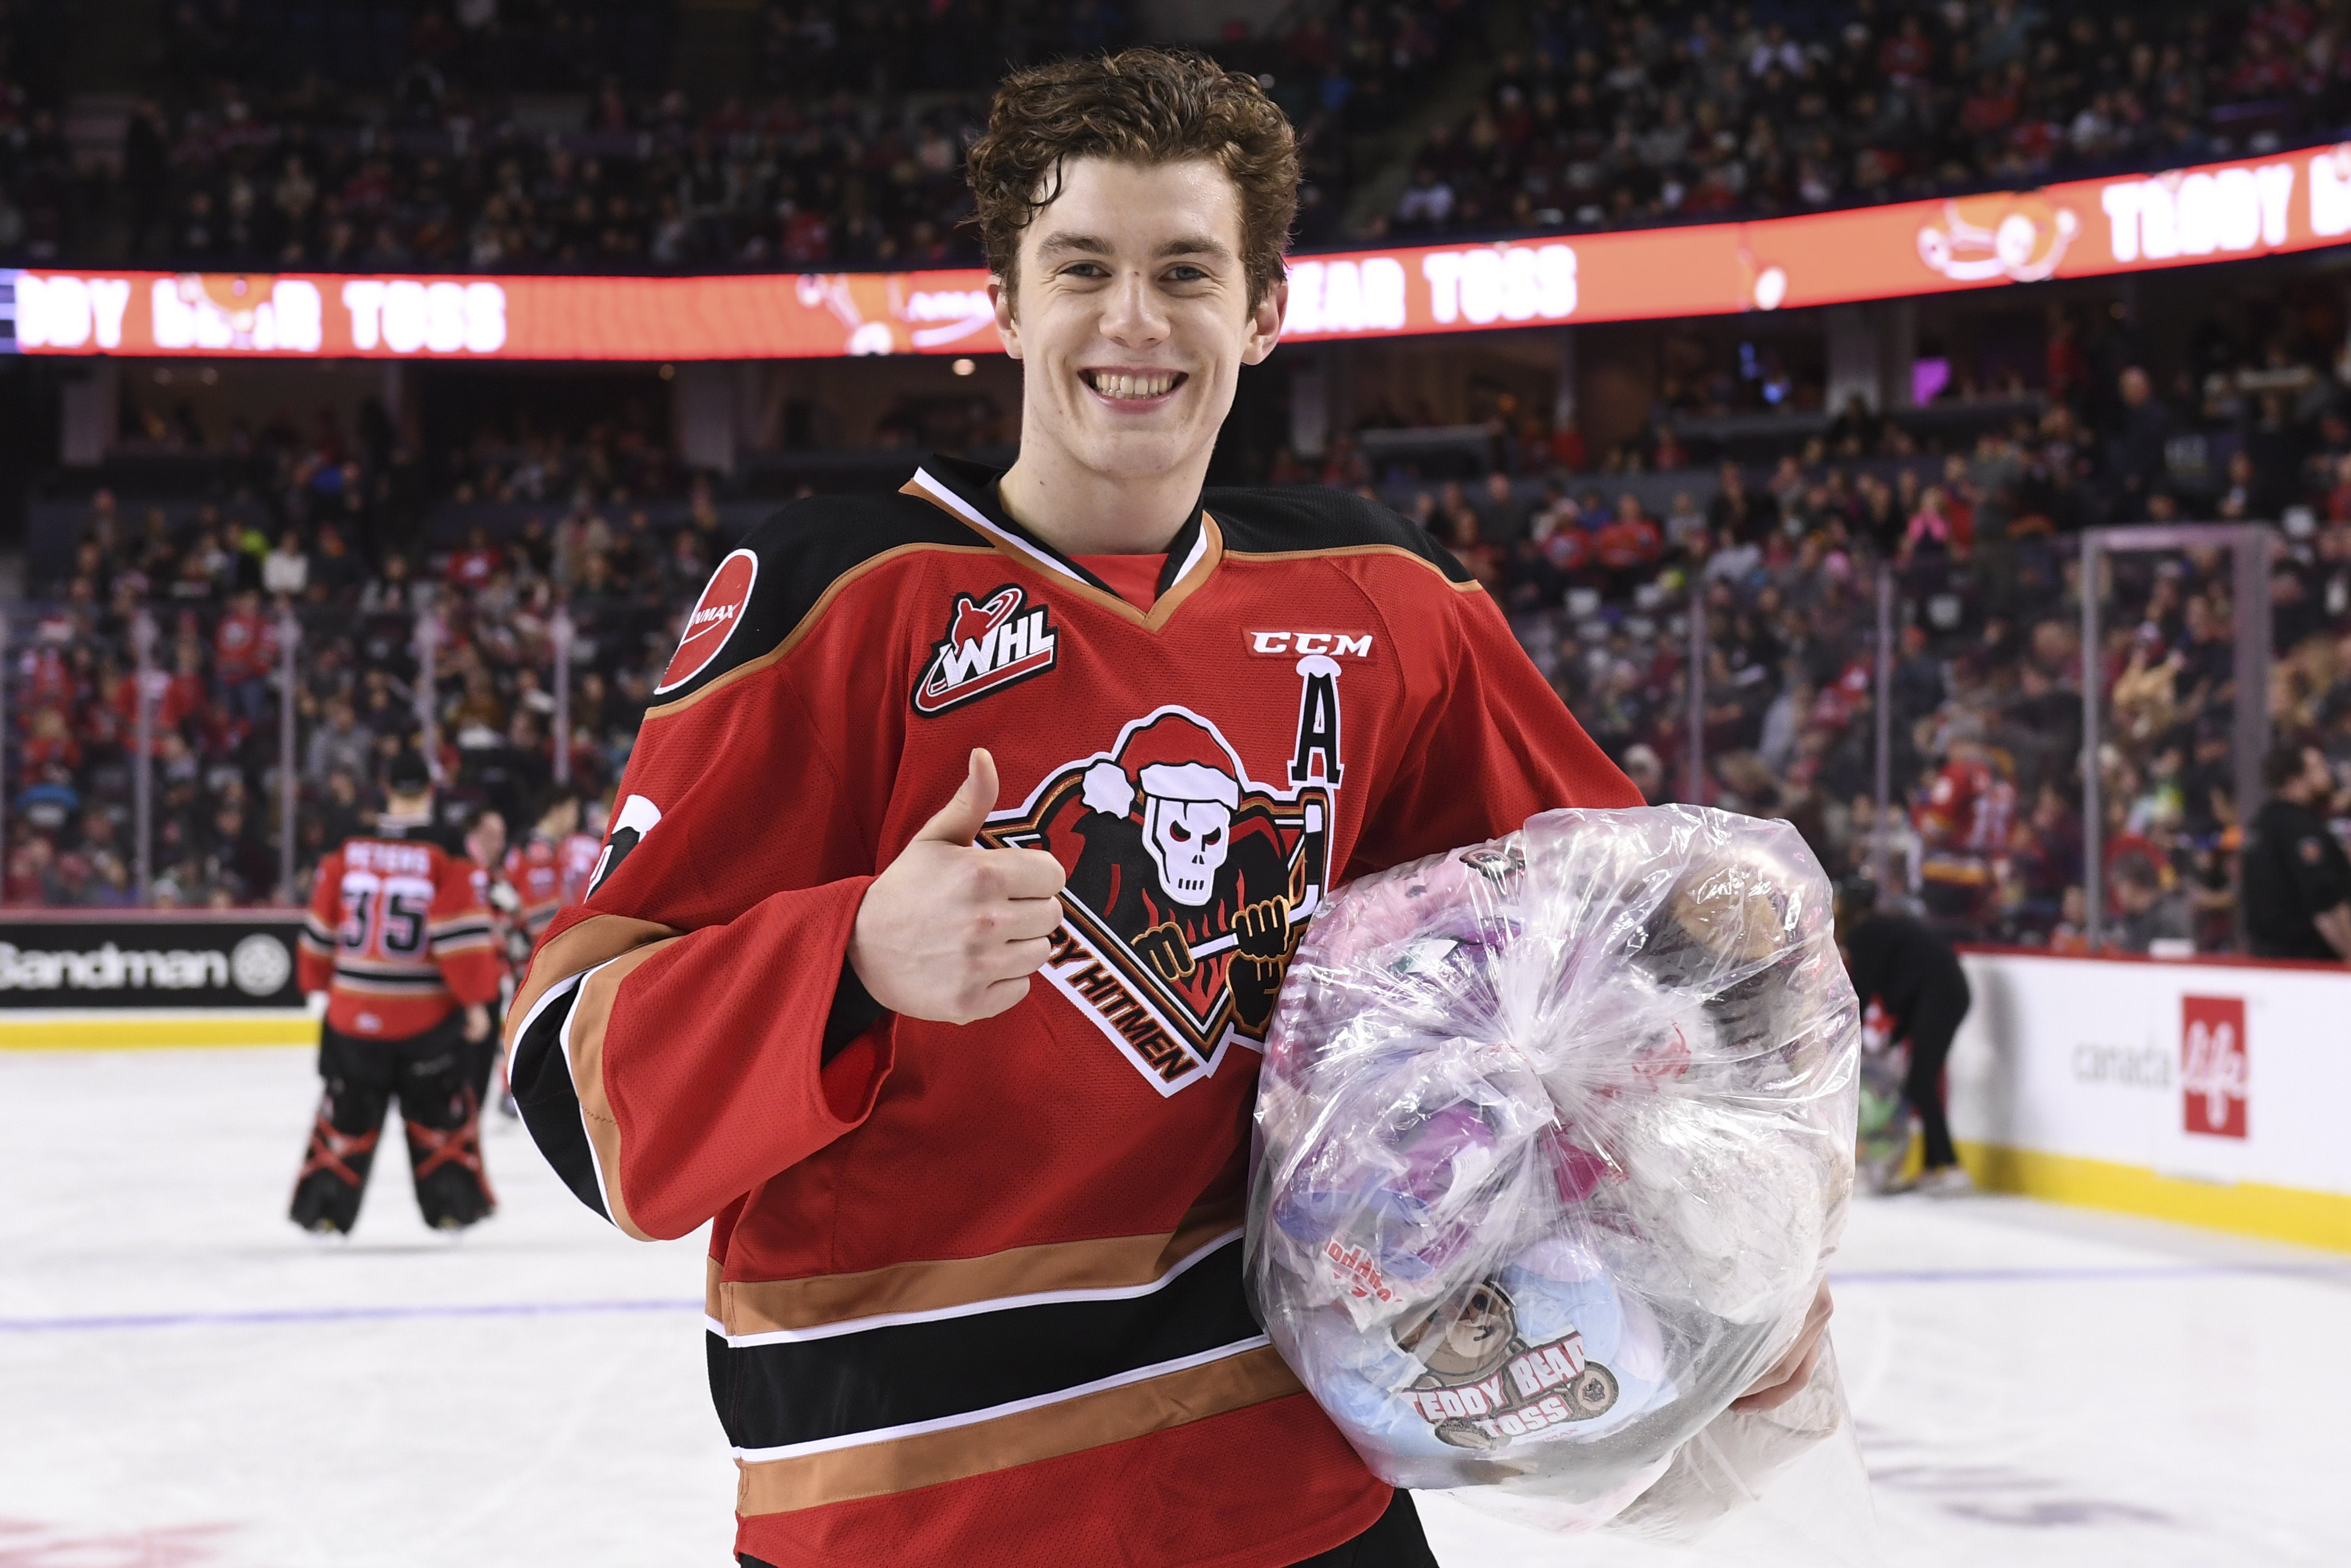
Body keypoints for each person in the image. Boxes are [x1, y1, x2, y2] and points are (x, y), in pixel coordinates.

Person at [502, 50, 1832, 1568]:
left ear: (1261, 313)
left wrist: (1734, 1222)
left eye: (1185, 270)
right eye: (1081, 268)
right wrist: (849, 957)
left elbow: (1609, 926)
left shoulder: (1382, 597)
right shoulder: (834, 597)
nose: (1132, 322)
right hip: (920, 1514)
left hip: (1304, 1491)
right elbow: (568, 1087)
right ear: (1003, 304)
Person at [291, 750, 503, 1235]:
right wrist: (475, 1002)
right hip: (423, 1015)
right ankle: (451, 1207)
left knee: (346, 1113)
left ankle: (325, 1210)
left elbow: (321, 925)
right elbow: (461, 936)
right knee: (437, 1115)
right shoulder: (449, 848)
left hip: (353, 1009)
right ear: (430, 791)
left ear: (386, 788)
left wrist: (317, 982)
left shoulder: (348, 844)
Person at [1837, 877, 1973, 1195]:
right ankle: (1932, 1168)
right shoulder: (1880, 927)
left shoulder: (1865, 932)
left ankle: (1951, 1168)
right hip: (1942, 993)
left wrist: (1844, 1040)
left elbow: (1863, 993)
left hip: (1941, 996)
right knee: (1920, 1082)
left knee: (1921, 1083)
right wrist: (1894, 1038)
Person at [2243, 742, 2351, 961]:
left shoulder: (2259, 826)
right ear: (2295, 780)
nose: (2327, 774)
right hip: (2309, 962)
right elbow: (2324, 902)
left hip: (2266, 959)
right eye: (2318, 769)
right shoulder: (2301, 828)